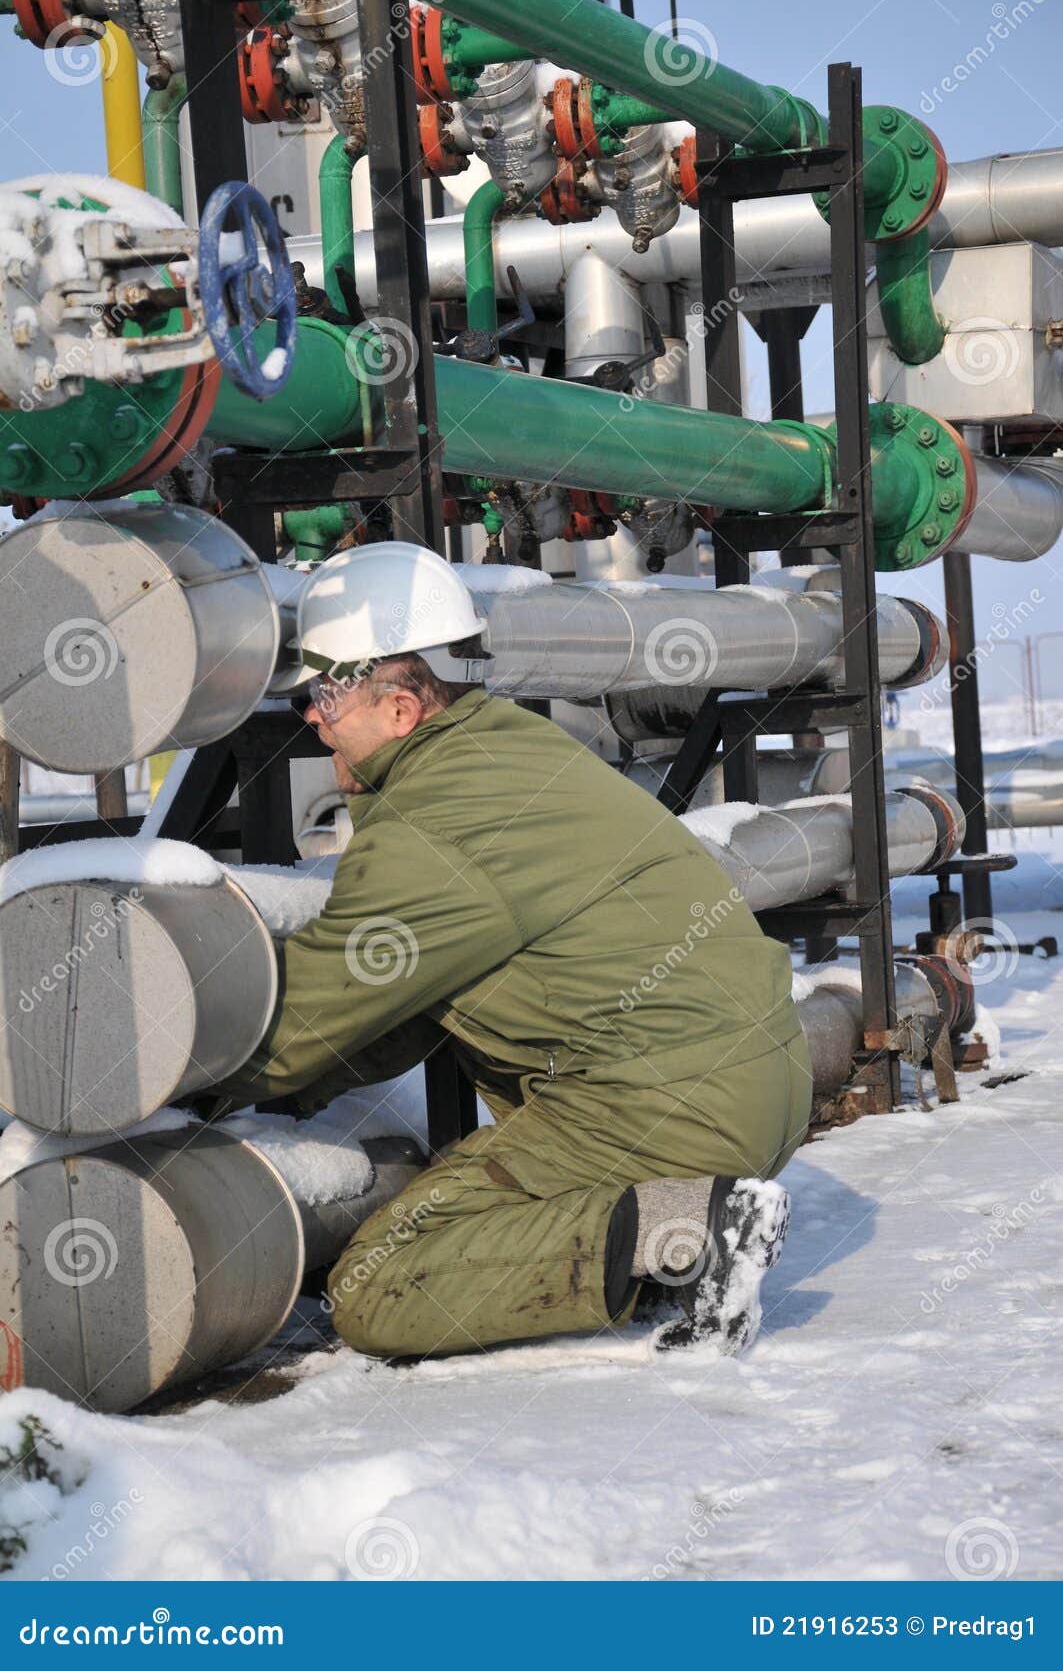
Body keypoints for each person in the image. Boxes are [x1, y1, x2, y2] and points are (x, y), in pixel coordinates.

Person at [209, 541, 811, 1359]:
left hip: (660, 1112)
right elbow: (406, 1008)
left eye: (323, 693)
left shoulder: (433, 823)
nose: (310, 718)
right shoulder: (511, 749)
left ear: (399, 706)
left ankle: (686, 1229)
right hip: (759, 1078)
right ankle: (671, 1239)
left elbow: (300, 1025)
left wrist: (164, 1076)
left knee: (377, 1286)